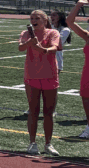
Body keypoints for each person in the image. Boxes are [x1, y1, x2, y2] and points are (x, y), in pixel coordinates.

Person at [19, 9, 62, 155]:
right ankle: (32, 143)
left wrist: (42, 49)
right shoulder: (26, 33)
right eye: (32, 18)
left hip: (50, 76)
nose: (33, 20)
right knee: (33, 111)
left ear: (44, 20)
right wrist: (30, 43)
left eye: (37, 18)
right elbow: (20, 47)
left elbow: (54, 48)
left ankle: (48, 144)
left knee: (48, 113)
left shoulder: (52, 33)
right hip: (31, 76)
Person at [65, 0, 89, 140]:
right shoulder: (87, 37)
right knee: (86, 98)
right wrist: (79, 5)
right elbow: (69, 22)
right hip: (87, 72)